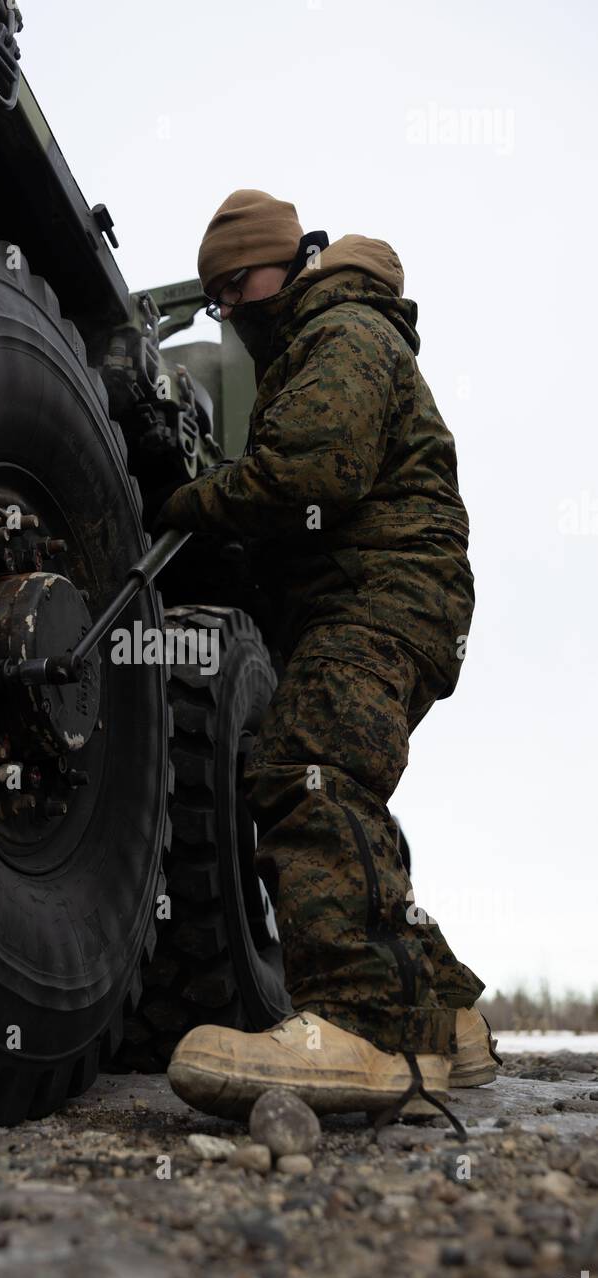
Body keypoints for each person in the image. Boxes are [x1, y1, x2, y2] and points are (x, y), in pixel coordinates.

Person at [156, 190, 498, 1128]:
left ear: (287, 263)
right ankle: (444, 1022)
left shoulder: (340, 329)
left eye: (238, 284)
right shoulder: (326, 332)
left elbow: (314, 470)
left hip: (383, 596)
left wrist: (190, 504)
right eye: (214, 294)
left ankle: (359, 1026)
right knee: (345, 792)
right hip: (396, 597)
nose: (228, 309)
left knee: (306, 776)